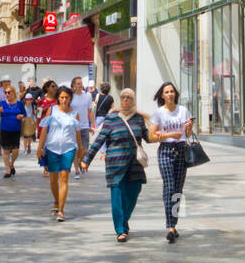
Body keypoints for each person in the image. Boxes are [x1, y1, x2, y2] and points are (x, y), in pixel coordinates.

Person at [81, 88, 149, 243]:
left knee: (134, 191)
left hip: (134, 163)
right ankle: (120, 229)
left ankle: (124, 220)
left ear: (133, 100)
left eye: (129, 98)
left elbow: (148, 138)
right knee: (117, 195)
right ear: (119, 99)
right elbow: (99, 140)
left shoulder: (138, 118)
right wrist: (87, 159)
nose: (125, 100)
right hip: (115, 163)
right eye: (123, 97)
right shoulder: (112, 118)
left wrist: (161, 134)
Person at [148, 81, 193, 243]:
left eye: (172, 91)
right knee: (170, 187)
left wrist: (189, 126)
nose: (170, 94)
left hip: (181, 150)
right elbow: (151, 137)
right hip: (165, 151)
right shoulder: (159, 113)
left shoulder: (183, 110)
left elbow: (187, 134)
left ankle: (174, 224)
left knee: (178, 190)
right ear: (162, 95)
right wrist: (168, 135)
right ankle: (170, 226)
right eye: (166, 92)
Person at [37, 85, 84, 220]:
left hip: (68, 149)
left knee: (64, 177)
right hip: (52, 148)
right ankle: (56, 201)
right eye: (62, 97)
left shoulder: (74, 114)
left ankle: (61, 211)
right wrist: (40, 148)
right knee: (53, 180)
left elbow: (77, 133)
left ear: (70, 99)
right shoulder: (51, 111)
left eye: (66, 98)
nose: (64, 100)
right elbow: (44, 130)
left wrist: (80, 149)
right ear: (58, 98)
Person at [0, 84, 25, 177]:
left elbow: (24, 114)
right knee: (6, 151)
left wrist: (21, 116)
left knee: (16, 150)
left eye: (9, 92)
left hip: (16, 129)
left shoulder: (19, 103)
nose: (7, 94)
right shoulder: (2, 103)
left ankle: (11, 164)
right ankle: (7, 170)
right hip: (5, 129)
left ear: (14, 93)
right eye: (5, 92)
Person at [70, 76, 94, 178]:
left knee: (84, 150)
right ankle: (76, 171)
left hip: (84, 126)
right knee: (75, 149)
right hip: (73, 126)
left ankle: (80, 161)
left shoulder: (88, 95)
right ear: (74, 85)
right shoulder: (70, 97)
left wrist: (93, 123)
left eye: (81, 83)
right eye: (78, 83)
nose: (80, 85)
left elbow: (90, 110)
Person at [20, 90, 38, 155]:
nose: (29, 101)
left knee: (30, 137)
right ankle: (25, 149)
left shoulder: (33, 106)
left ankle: (29, 145)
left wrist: (36, 113)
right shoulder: (23, 106)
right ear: (25, 100)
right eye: (27, 99)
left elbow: (35, 114)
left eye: (30, 99)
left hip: (31, 122)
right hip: (24, 122)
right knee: (25, 137)